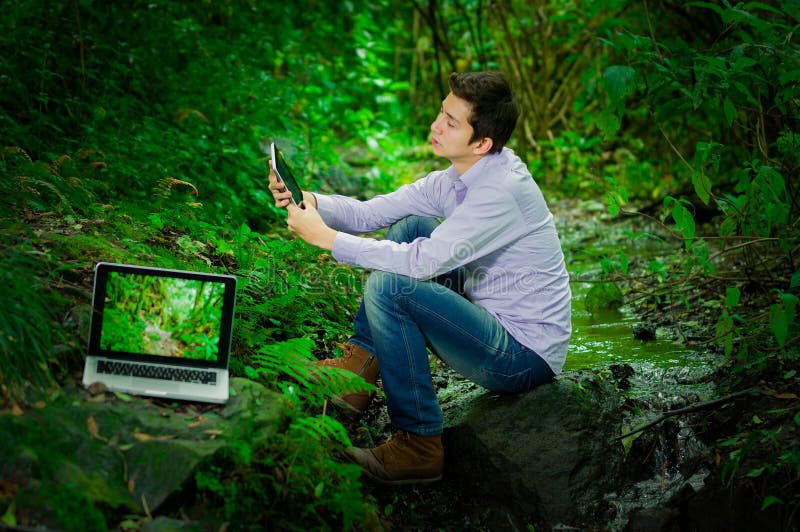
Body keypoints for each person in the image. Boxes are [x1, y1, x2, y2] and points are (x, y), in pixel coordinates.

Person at [268, 71, 571, 486]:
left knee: (391, 286)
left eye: (451, 121)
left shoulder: (500, 191)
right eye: (441, 113)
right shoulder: (458, 177)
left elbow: (420, 264)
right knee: (411, 226)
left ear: (482, 143)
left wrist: (327, 240)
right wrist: (310, 201)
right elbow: (370, 213)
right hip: (488, 316)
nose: (435, 125)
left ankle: (418, 444)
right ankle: (358, 370)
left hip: (522, 355)